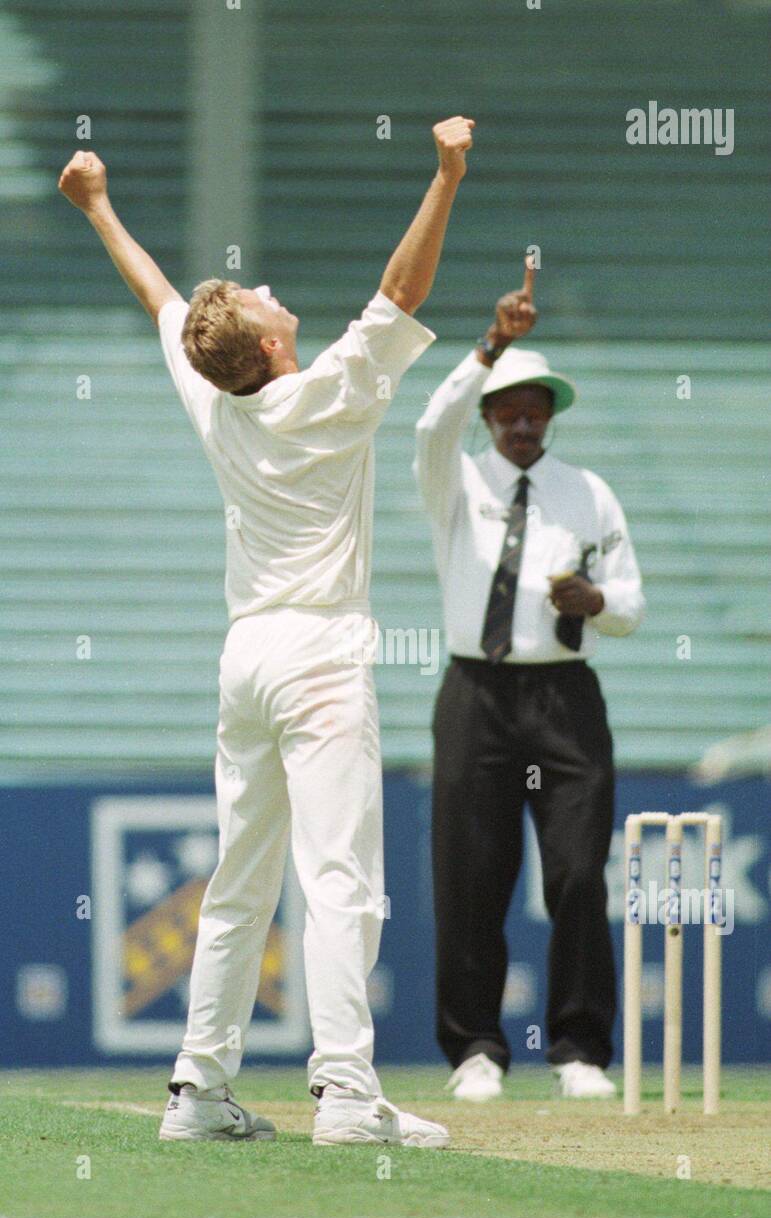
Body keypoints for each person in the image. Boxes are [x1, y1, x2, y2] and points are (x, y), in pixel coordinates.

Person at [58, 115, 477, 1146]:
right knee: (338, 877)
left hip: (245, 656)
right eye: (263, 298)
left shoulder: (218, 403)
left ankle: (198, 1092)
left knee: (242, 880)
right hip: (324, 652)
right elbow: (404, 292)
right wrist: (447, 172)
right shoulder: (331, 390)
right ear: (273, 343)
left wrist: (99, 206)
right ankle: (343, 1094)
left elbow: (161, 299)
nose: (271, 290)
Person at [414, 264, 645, 1102]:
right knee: (471, 873)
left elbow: (630, 602)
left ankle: (579, 1049)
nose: (521, 422)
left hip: (564, 698)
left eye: (534, 408)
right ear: (486, 416)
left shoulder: (587, 493)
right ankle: (475, 1047)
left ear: (550, 415)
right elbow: (430, 422)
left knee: (579, 872)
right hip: (475, 694)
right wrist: (491, 343)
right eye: (507, 409)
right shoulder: (455, 479)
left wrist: (596, 601)